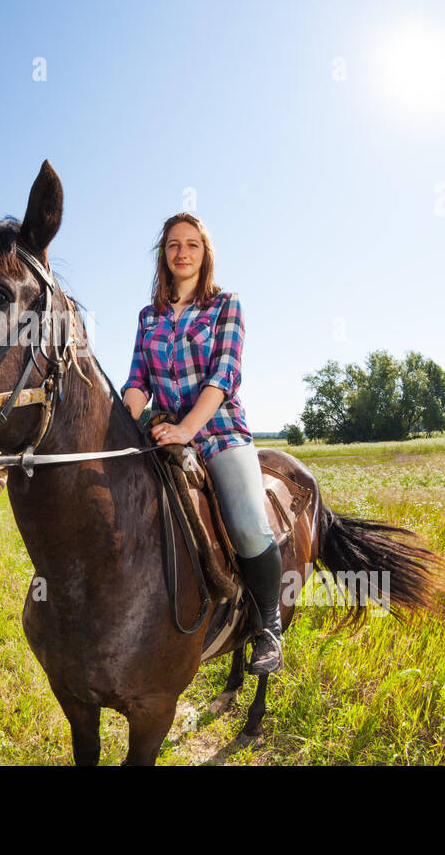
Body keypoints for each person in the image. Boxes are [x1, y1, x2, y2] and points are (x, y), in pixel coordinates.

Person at [120, 213, 285, 674]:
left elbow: (223, 376)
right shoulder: (148, 316)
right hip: (163, 431)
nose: (182, 252)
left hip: (219, 432)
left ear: (204, 253)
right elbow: (137, 381)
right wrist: (121, 422)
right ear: (164, 255)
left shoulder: (225, 305)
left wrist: (188, 429)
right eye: (173, 245)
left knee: (251, 526)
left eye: (192, 244)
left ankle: (268, 626)